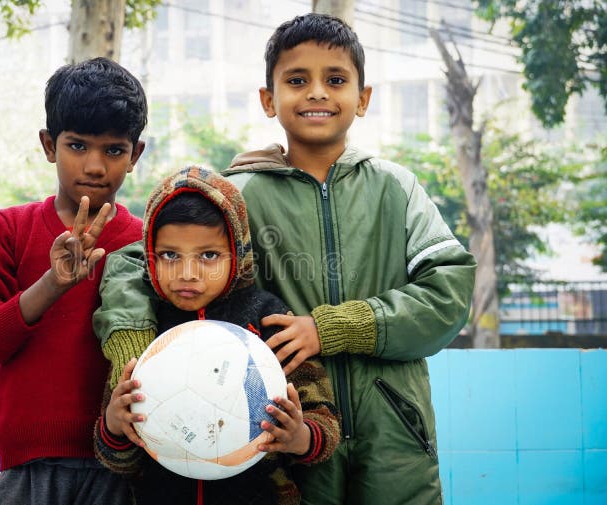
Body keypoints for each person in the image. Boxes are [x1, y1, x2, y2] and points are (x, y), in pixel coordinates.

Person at [93, 13, 477, 505]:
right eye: (298, 80)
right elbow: (134, 261)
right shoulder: (241, 193)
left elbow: (449, 293)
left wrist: (331, 328)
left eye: (335, 80)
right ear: (268, 99)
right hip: (290, 445)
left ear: (363, 98)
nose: (317, 92)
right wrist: (136, 356)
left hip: (397, 434)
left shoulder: (395, 188)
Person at [0, 57, 147, 505]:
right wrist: (52, 284)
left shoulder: (146, 241)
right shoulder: (9, 230)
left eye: (114, 150)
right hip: (29, 469)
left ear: (135, 155)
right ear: (48, 145)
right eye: (77, 146)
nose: (95, 166)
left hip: (121, 460)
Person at [94, 166, 340, 505]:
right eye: (170, 255)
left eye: (208, 255)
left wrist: (300, 437)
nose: (188, 273)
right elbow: (117, 459)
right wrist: (113, 426)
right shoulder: (147, 333)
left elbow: (326, 423)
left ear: (237, 252)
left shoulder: (268, 321)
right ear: (150, 254)